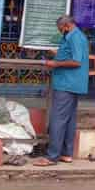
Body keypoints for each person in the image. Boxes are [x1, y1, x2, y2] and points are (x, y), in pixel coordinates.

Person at [33, 14, 90, 166]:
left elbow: (76, 61)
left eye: (60, 29)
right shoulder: (72, 36)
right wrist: (57, 55)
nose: (60, 32)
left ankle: (52, 157)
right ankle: (66, 153)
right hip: (70, 83)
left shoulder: (75, 37)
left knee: (57, 119)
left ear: (66, 26)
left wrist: (55, 64)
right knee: (69, 120)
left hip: (67, 84)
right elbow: (69, 55)